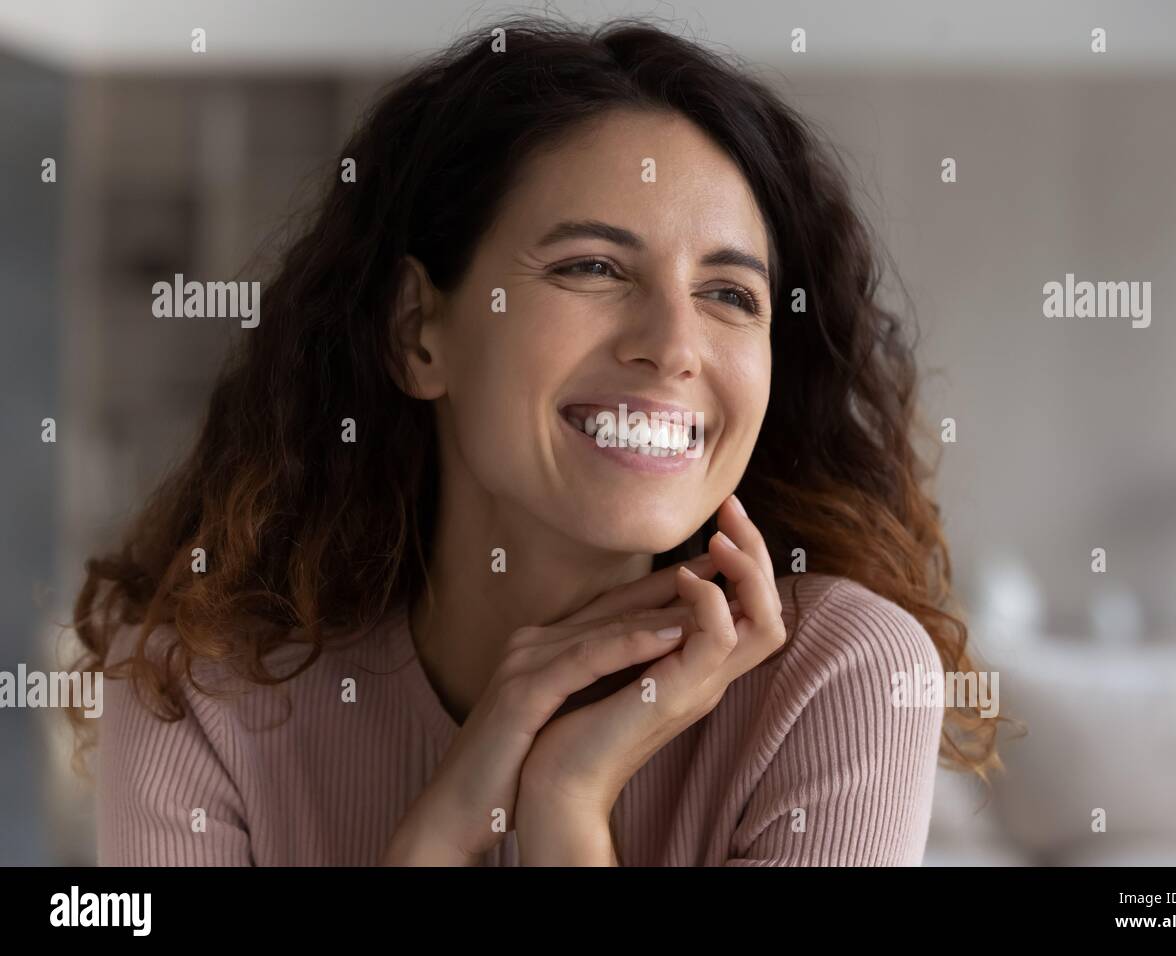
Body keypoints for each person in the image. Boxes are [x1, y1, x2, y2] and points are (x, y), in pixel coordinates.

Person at [67, 15, 1002, 866]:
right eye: (592, 266)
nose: (674, 347)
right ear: (417, 333)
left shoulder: (835, 678)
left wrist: (565, 802)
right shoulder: (200, 694)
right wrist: (432, 844)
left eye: (729, 294)